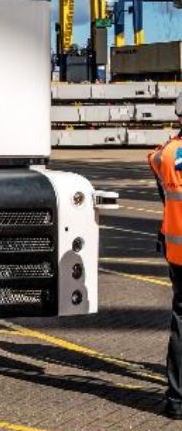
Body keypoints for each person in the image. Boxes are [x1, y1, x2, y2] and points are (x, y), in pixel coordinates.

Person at [146, 96, 182, 419]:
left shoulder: (167, 154)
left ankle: (177, 400)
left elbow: (152, 158)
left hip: (177, 252)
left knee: (180, 322)